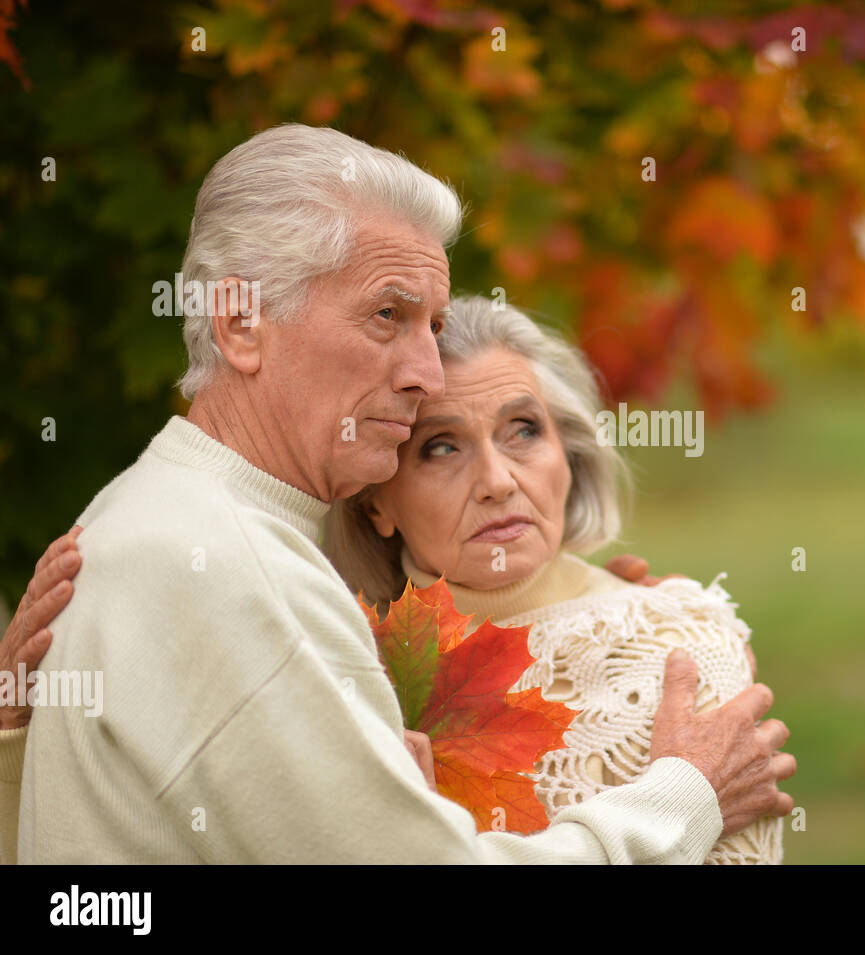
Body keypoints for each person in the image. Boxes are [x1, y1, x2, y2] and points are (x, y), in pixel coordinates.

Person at [0, 123, 794, 863]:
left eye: (433, 324)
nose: (425, 372)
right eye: (388, 315)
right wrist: (680, 795)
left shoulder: (144, 509)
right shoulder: (234, 570)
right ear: (240, 323)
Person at [325, 294, 781, 863]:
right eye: (441, 447)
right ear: (375, 505)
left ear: (570, 452)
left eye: (523, 430)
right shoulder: (336, 662)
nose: (496, 481)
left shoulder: (678, 646)